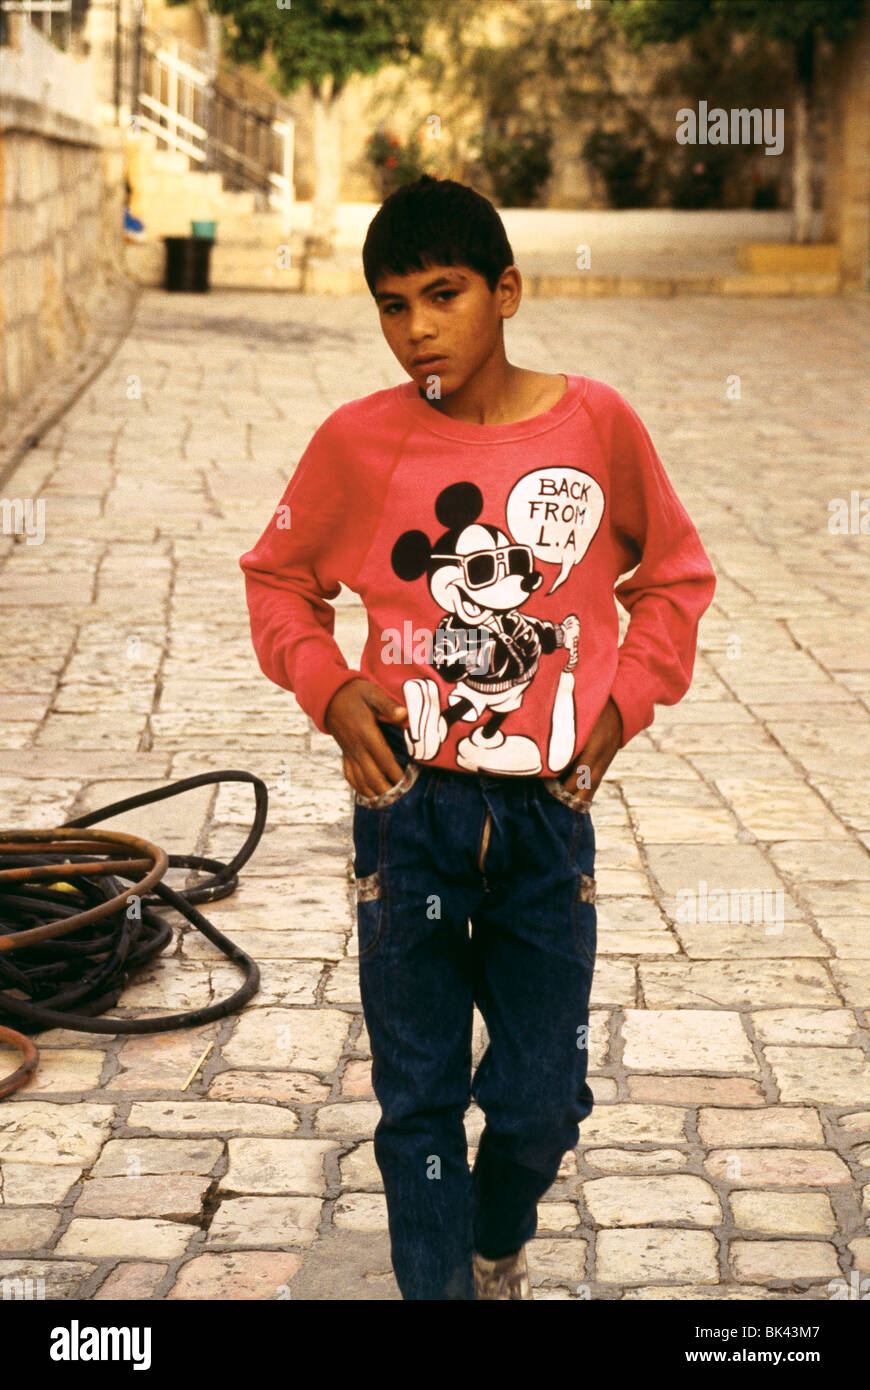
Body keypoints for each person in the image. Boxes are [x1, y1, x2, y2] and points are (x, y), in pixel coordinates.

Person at [239, 174, 716, 1301]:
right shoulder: (357, 444)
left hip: (549, 823)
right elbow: (277, 578)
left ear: (507, 290)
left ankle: (498, 1235)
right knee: (416, 1102)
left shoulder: (597, 426)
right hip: (411, 817)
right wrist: (332, 690)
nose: (417, 331)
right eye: (392, 306)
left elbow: (677, 578)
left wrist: (613, 714)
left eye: (442, 296)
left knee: (544, 1099)